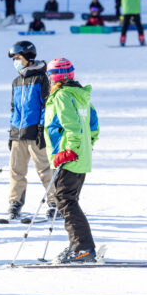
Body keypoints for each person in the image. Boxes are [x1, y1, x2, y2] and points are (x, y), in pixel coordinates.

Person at [44, 58, 99, 263]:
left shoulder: (63, 96)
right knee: (68, 200)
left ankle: (83, 248)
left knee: (65, 201)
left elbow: (71, 125)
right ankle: (78, 245)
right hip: (79, 157)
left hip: (67, 157)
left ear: (53, 77)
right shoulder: (81, 95)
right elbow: (93, 125)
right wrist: (86, 145)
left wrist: (70, 150)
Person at [6, 40, 57, 221]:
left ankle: (54, 203)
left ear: (28, 57)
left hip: (35, 133)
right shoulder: (16, 81)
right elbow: (14, 109)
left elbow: (47, 106)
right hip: (18, 133)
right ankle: (15, 203)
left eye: (18, 58)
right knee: (16, 171)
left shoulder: (42, 78)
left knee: (45, 170)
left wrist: (42, 129)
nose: (16, 62)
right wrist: (11, 133)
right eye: (14, 59)